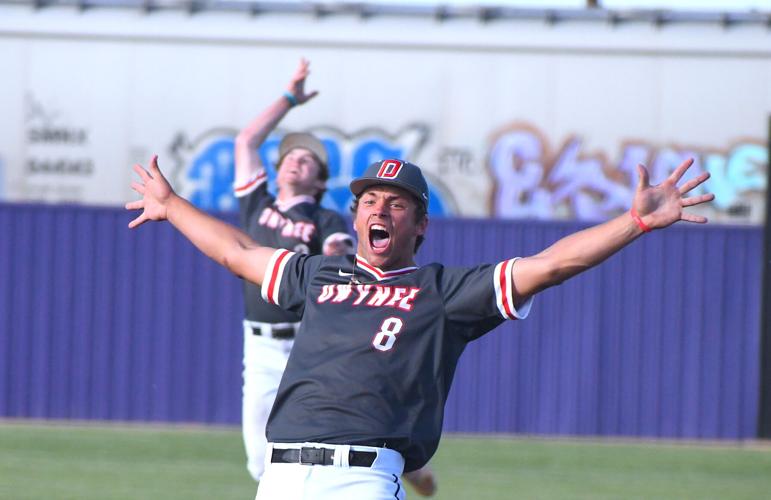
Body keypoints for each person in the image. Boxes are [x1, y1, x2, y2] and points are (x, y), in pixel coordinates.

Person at [127, 148, 713, 499]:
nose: (379, 208)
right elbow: (237, 251)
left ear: (421, 225)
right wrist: (172, 204)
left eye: (396, 202)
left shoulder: (441, 292)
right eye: (370, 201)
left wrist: (633, 221)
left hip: (360, 480)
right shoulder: (319, 275)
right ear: (355, 217)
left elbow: (551, 264)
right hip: (280, 478)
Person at [231, 59, 354, 484]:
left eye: (307, 160)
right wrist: (289, 99)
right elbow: (247, 140)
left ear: (320, 181)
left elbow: (340, 255)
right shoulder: (257, 205)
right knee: (258, 461)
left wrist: (340, 253)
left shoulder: (326, 219)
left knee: (315, 445)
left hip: (307, 344)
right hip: (261, 347)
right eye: (291, 156)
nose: (295, 161)